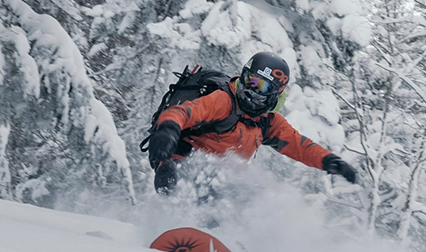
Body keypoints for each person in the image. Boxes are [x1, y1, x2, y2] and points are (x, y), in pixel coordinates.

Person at [146, 52, 357, 192]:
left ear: (275, 93)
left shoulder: (267, 122)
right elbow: (184, 112)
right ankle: (175, 230)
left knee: (249, 199)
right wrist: (168, 130)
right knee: (189, 189)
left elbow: (298, 145)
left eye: (262, 87)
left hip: (221, 177)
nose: (252, 89)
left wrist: (329, 161)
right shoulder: (224, 100)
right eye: (250, 81)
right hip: (179, 162)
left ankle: (235, 243)